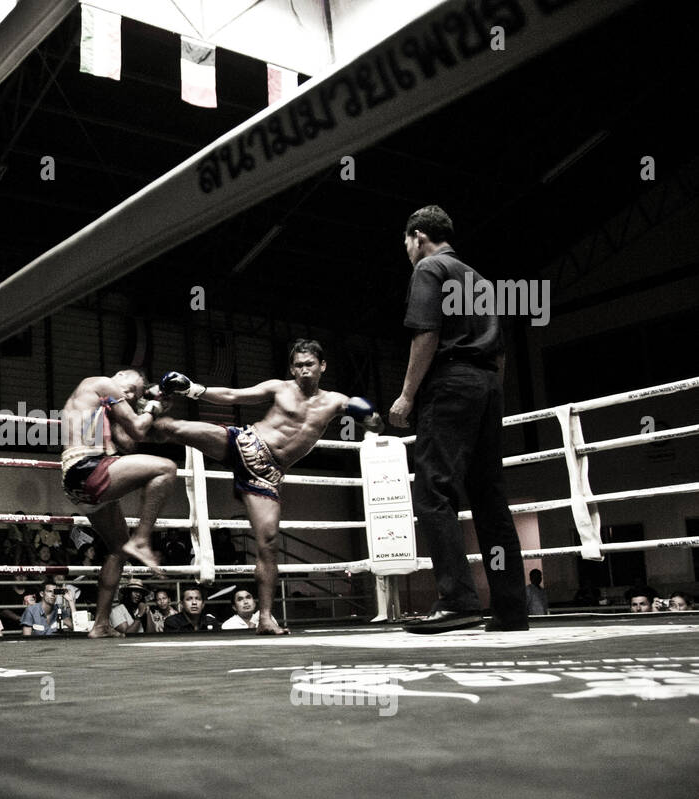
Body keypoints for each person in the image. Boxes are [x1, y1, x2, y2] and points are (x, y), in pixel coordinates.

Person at [149, 340, 382, 635]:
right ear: (291, 368)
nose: (304, 370)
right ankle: (137, 415)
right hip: (244, 443)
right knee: (172, 428)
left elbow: (376, 424)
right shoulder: (279, 388)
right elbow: (234, 395)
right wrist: (193, 389)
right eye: (298, 365)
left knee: (268, 543)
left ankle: (266, 618)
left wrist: (371, 418)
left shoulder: (336, 401)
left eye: (309, 364)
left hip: (267, 474)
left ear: (322, 366)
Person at [388, 205, 528, 634]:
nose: (407, 252)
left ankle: (458, 599)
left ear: (417, 236)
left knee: (433, 490)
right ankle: (510, 609)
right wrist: (490, 397)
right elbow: (500, 352)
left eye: (406, 244)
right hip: (487, 386)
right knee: (489, 496)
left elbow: (426, 333)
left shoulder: (430, 267)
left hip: (450, 383)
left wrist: (407, 395)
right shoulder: (479, 279)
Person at [60, 368, 177, 638]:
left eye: (134, 394)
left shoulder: (103, 408)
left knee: (117, 549)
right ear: (120, 374)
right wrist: (153, 405)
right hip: (87, 466)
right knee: (166, 469)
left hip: (80, 485)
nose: (129, 395)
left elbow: (127, 442)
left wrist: (150, 408)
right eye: (130, 388)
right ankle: (142, 539)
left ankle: (100, 624)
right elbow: (137, 428)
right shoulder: (99, 382)